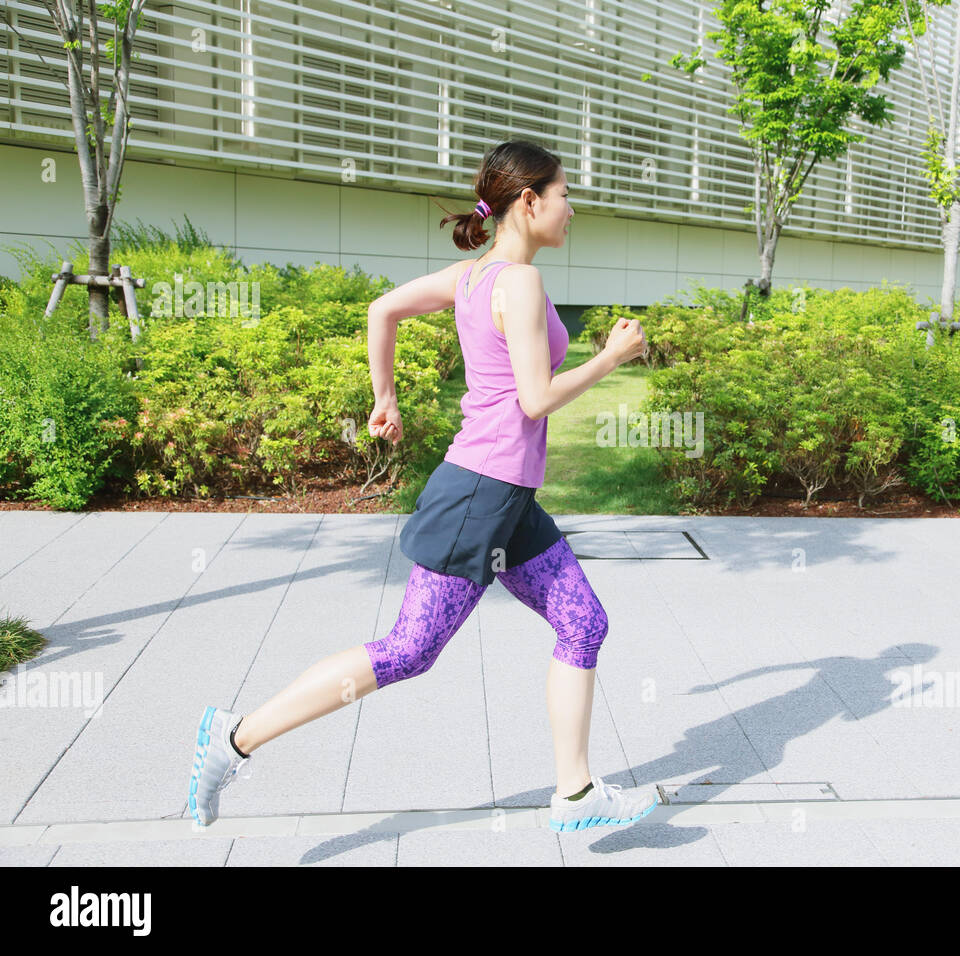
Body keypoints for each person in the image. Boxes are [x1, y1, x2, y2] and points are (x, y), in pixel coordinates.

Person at [187, 139, 657, 834]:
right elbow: (533, 399)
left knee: (582, 622)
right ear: (529, 202)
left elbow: (382, 310)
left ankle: (576, 795)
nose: (571, 209)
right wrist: (612, 359)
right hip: (479, 495)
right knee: (408, 651)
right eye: (564, 196)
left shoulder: (474, 277)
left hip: (507, 496)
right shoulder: (517, 283)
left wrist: (387, 397)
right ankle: (232, 739)